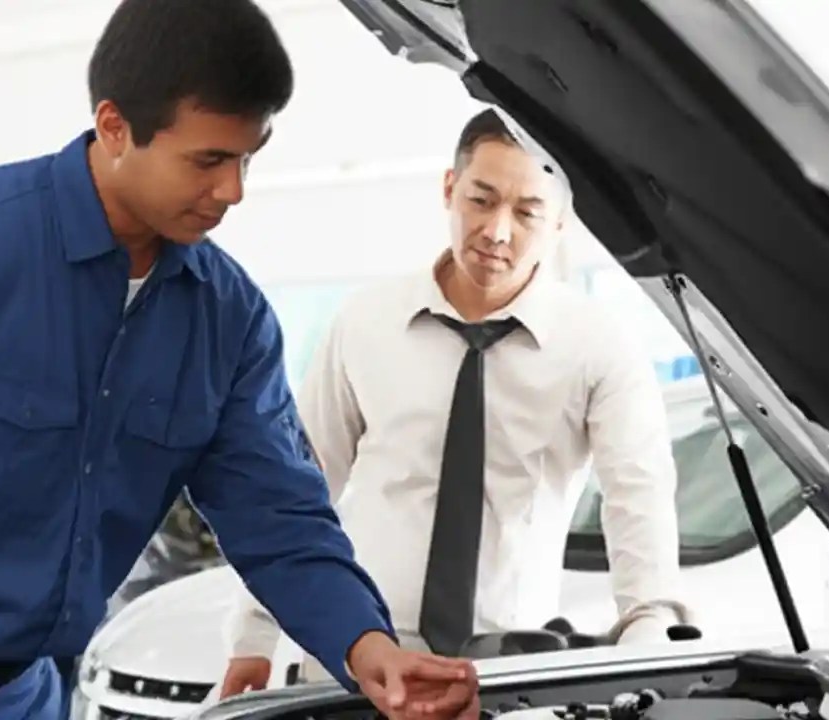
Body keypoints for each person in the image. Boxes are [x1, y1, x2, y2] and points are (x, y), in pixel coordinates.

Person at [0, 1, 480, 719]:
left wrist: (367, 645)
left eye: (250, 157)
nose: (234, 191)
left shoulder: (228, 320)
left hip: (21, 697)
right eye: (208, 159)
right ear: (115, 127)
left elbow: (277, 515)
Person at [220, 110, 686, 694]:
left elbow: (637, 498)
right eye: (482, 200)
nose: (496, 231)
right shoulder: (366, 322)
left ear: (561, 220)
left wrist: (650, 624)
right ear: (449, 188)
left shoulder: (599, 345)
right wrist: (253, 638)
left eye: (526, 212)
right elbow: (300, 486)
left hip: (509, 671)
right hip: (361, 658)